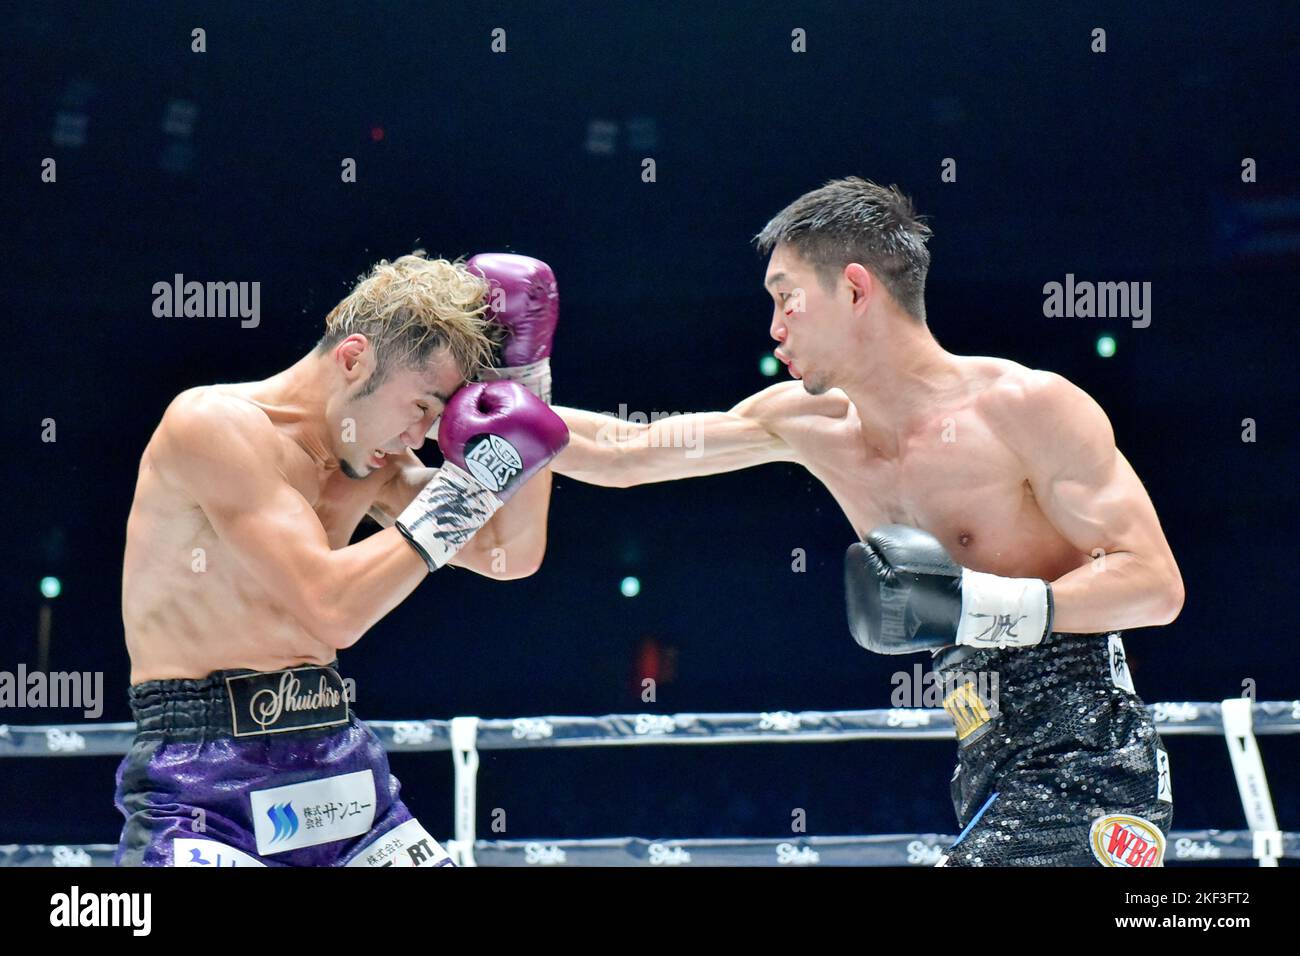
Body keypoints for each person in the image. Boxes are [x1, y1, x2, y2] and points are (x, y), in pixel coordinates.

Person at [552, 178, 1183, 866]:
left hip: (1088, 758)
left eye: (786, 297)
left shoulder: (1025, 407)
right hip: (983, 767)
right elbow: (625, 453)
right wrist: (498, 399)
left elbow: (1154, 584)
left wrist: (981, 607)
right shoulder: (808, 425)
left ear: (855, 290)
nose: (774, 327)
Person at [116, 252, 567, 866]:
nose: (420, 439)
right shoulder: (212, 425)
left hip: (339, 768)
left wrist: (526, 382)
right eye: (422, 409)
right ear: (355, 359)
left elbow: (508, 555)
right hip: (206, 782)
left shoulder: (370, 461)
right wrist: (470, 486)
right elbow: (331, 609)